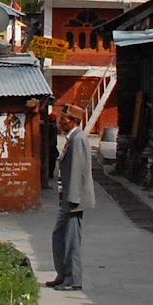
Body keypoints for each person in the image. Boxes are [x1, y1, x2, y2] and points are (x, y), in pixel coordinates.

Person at [47, 105, 95, 290]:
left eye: (64, 119)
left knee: (71, 241)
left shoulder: (78, 139)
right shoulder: (71, 138)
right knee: (59, 236)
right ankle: (62, 273)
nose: (60, 122)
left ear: (74, 121)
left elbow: (77, 171)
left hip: (73, 200)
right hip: (66, 198)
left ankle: (73, 280)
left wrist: (72, 199)